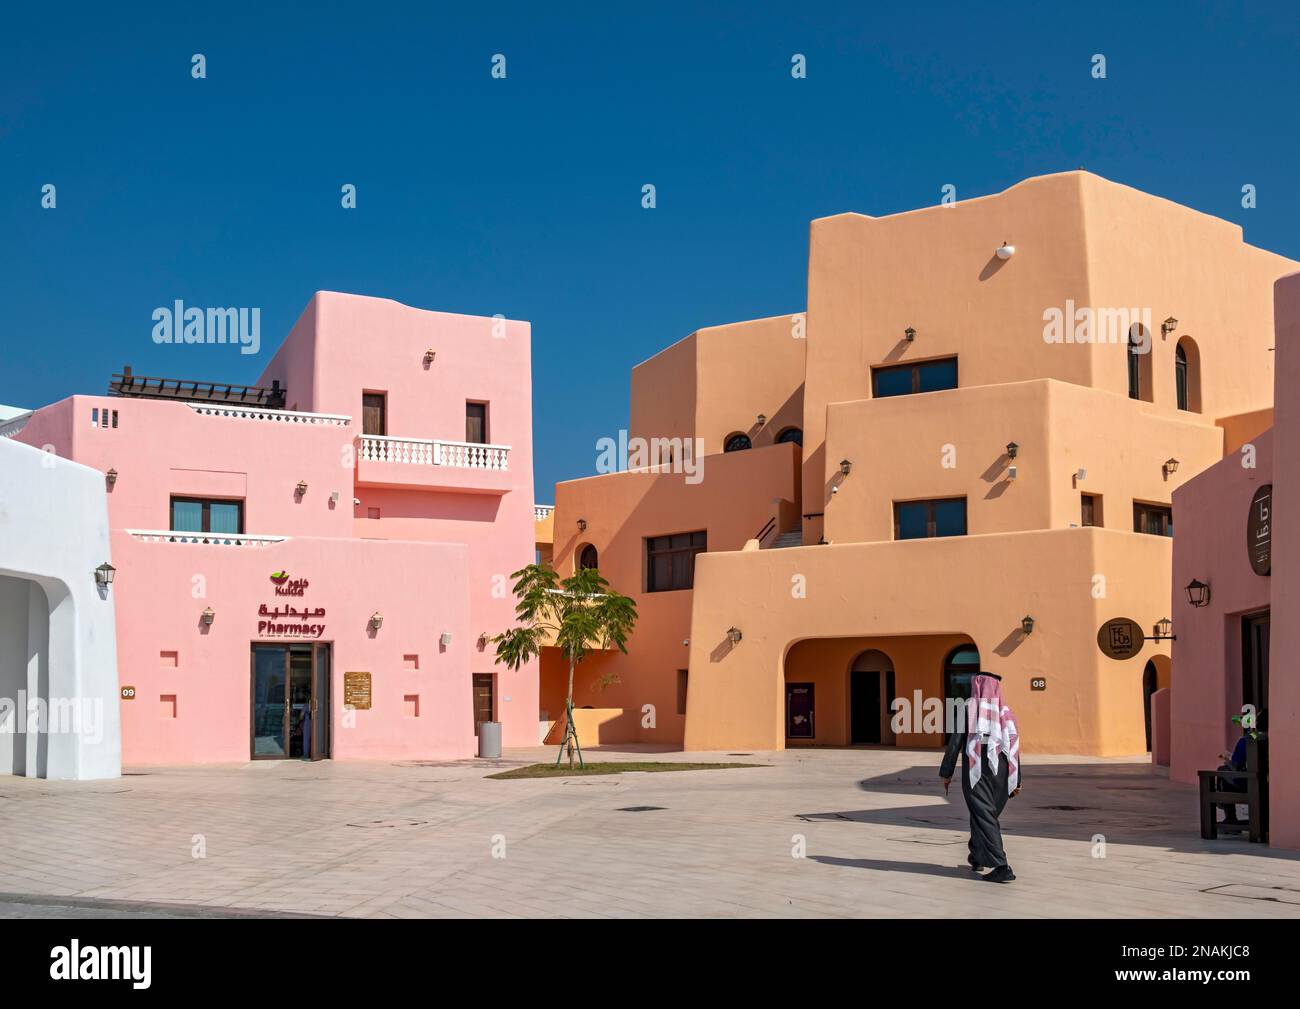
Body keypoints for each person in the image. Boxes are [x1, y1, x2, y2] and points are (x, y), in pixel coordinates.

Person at [940, 672, 1021, 883]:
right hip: (1001, 770)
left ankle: (1002, 867)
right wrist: (1016, 779)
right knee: (983, 812)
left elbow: (956, 741)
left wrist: (946, 772)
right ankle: (977, 856)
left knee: (984, 814)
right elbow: (1013, 747)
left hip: (978, 767)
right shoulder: (1006, 711)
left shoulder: (969, 708)